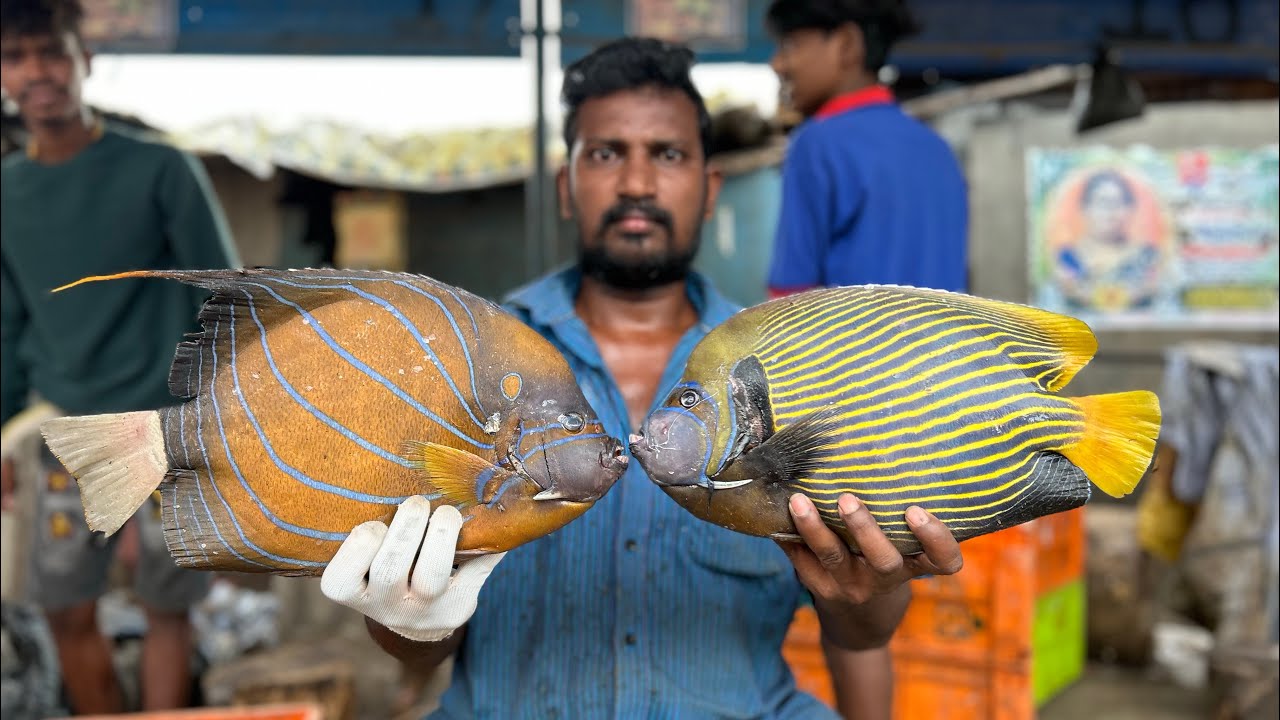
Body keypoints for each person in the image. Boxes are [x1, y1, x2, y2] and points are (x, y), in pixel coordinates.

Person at [320, 37, 964, 719]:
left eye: (668, 154)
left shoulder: (793, 378)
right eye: (605, 154)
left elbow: (857, 637)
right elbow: (420, 647)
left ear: (711, 188)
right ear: (567, 186)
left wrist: (876, 594)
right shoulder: (465, 367)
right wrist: (410, 619)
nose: (636, 183)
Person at [0, 0, 241, 713]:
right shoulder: (5, 192)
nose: (37, 72)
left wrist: (226, 409)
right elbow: (5, 322)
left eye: (52, 52)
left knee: (169, 603)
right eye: (16, 57)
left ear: (85, 59)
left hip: (170, 426)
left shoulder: (160, 169)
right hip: (63, 430)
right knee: (65, 608)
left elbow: (225, 294)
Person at [763, 0, 969, 298]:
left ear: (847, 43)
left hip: (850, 345)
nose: (777, 64)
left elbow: (789, 298)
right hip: (944, 343)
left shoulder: (816, 143)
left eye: (791, 45)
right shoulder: (937, 148)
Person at [1055, 169, 1160, 312]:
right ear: (1085, 208)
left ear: (1129, 209)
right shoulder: (1067, 258)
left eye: (1118, 203)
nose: (1111, 211)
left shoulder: (1147, 256)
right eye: (1103, 202)